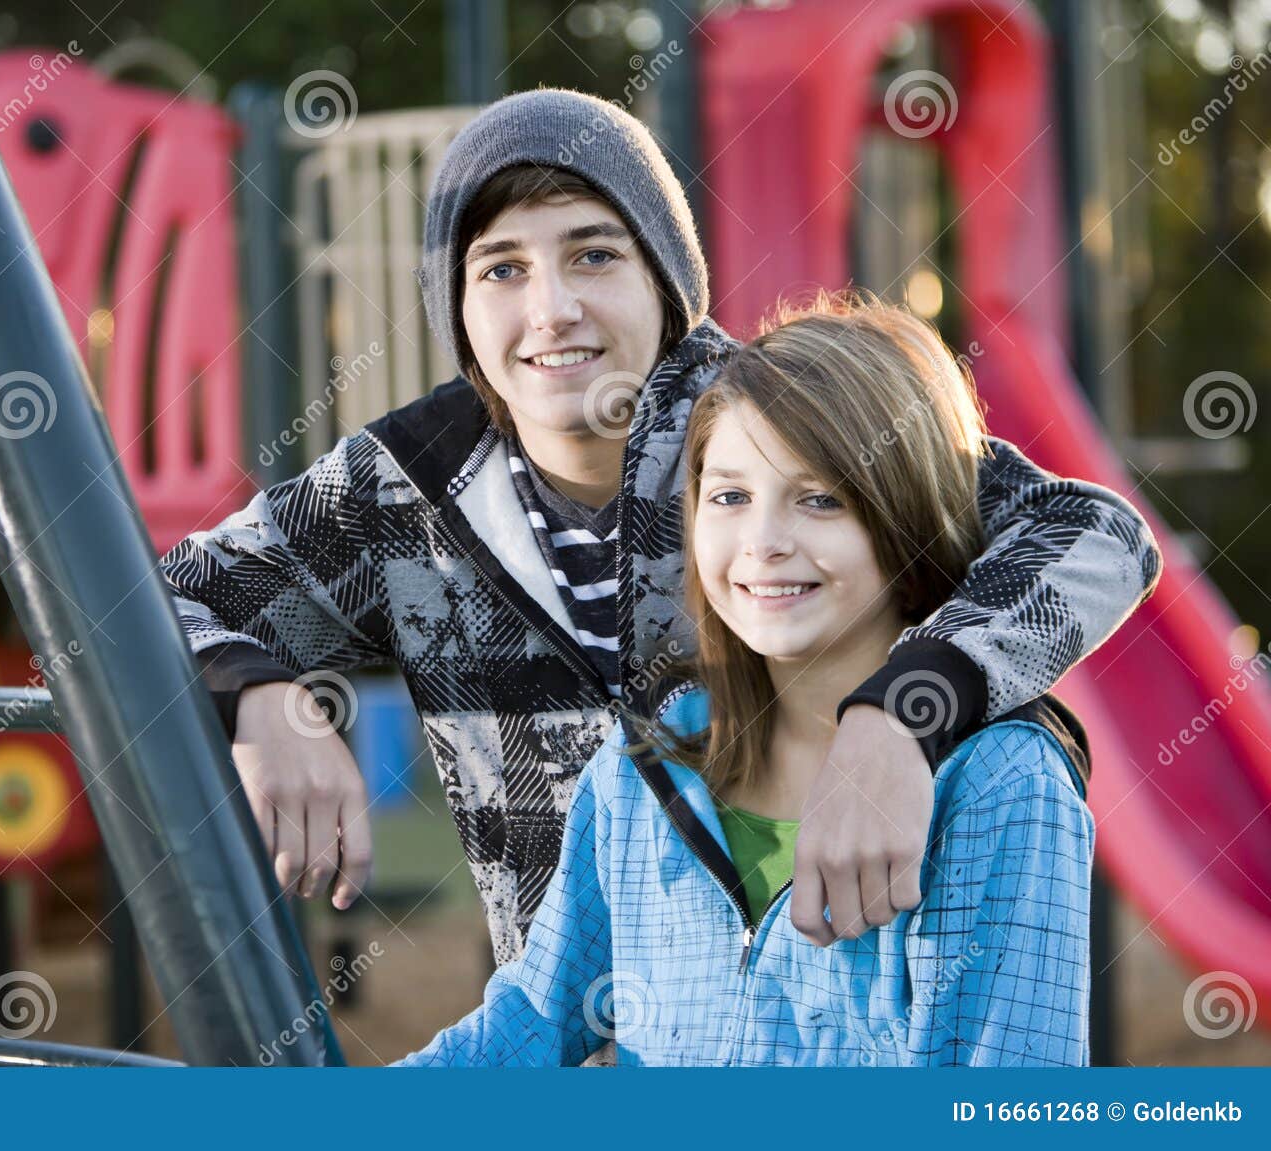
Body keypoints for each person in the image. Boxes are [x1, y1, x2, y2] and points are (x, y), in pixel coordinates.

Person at [157, 87, 1157, 967]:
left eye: (592, 253)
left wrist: (900, 711)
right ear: (457, 309)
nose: (550, 310)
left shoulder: (776, 418)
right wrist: (262, 695)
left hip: (832, 1012)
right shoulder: (400, 489)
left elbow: (1094, 533)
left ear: (665, 283)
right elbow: (144, 593)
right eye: (499, 269)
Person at [394, 291, 1095, 1066]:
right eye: (729, 496)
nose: (762, 542)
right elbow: (527, 1020)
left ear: (907, 518)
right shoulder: (641, 770)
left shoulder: (999, 785)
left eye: (820, 499)